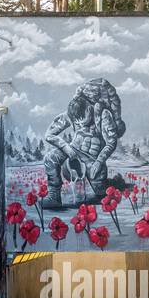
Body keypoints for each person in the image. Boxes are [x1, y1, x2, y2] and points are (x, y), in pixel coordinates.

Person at [40, 78, 126, 208]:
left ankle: (113, 183)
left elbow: (111, 143)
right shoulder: (72, 112)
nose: (79, 123)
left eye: (82, 119)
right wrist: (67, 148)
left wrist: (98, 162)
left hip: (94, 160)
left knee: (100, 193)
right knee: (50, 158)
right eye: (76, 121)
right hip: (73, 152)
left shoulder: (103, 115)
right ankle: (54, 196)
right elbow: (49, 134)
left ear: (88, 109)